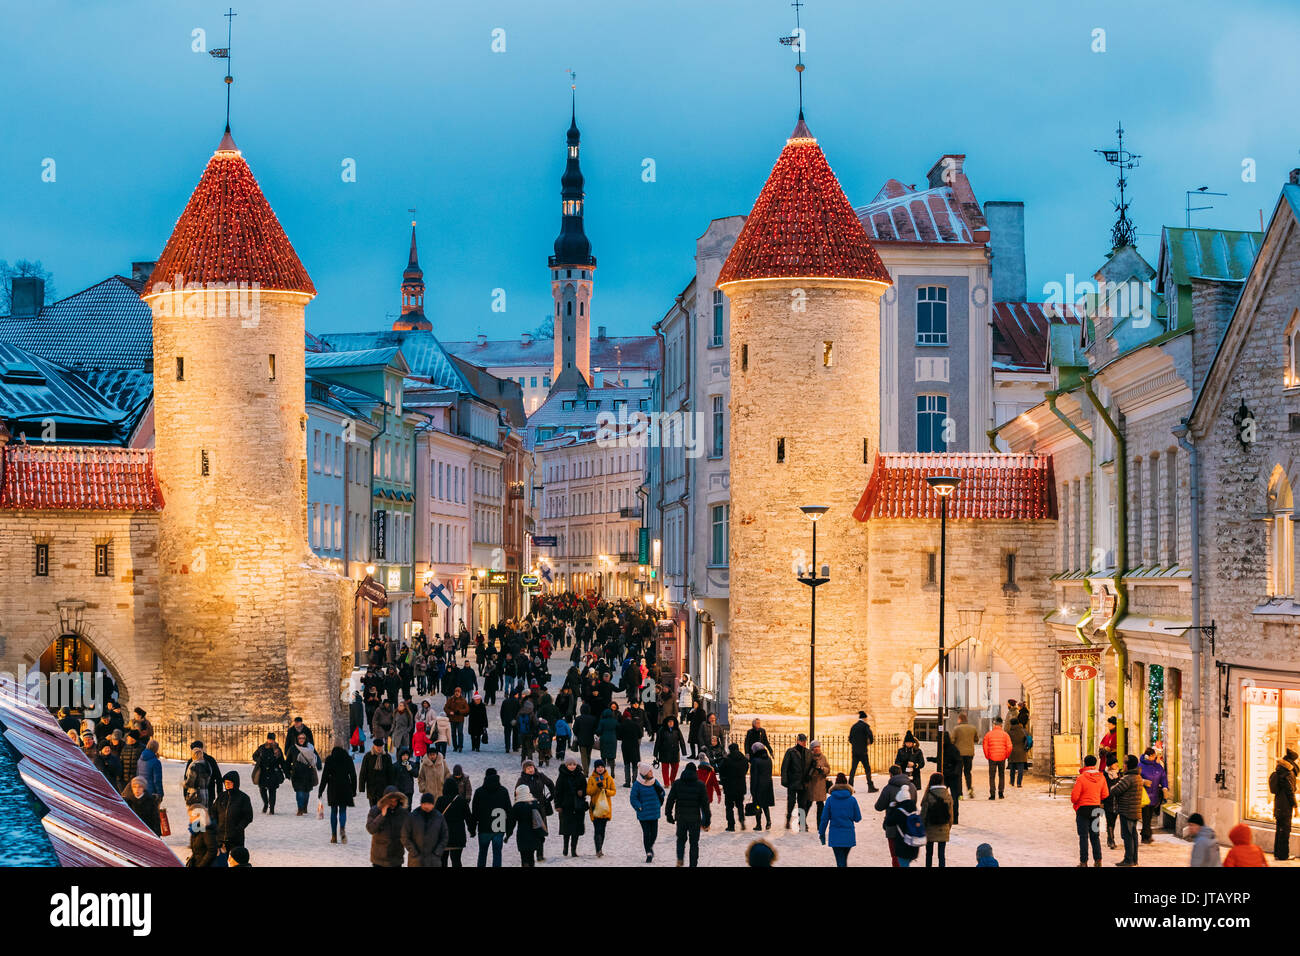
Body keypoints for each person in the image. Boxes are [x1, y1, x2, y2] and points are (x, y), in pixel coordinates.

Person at [665, 761, 711, 867]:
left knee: (681, 840)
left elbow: (670, 800)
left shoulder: (677, 783)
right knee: (694, 843)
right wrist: (707, 820)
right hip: (695, 819)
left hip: (681, 818)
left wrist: (668, 814)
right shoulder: (700, 785)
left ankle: (680, 859)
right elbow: (705, 805)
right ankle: (693, 864)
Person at [1070, 754, 1108, 867]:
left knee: (1083, 836)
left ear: (1085, 763)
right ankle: (1098, 861)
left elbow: (1074, 797)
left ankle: (1083, 862)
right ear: (1095, 764)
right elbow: (1105, 794)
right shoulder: (1101, 777)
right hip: (1096, 809)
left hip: (1083, 810)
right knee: (1095, 836)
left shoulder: (1081, 778)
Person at [875, 765, 917, 867]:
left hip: (892, 827)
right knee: (906, 856)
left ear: (890, 774)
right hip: (909, 827)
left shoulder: (888, 788)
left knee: (895, 855)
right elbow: (914, 803)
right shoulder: (912, 787)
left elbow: (879, 806)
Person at [468, 768, 511, 867]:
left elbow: (475, 813)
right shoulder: (503, 791)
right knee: (497, 854)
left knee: (482, 853)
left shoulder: (479, 792)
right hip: (499, 827)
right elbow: (509, 810)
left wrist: (472, 829)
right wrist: (509, 829)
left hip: (484, 828)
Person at [818, 772, 860, 866]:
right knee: (843, 861)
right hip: (848, 836)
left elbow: (824, 819)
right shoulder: (852, 800)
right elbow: (858, 818)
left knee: (840, 861)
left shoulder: (830, 800)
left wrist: (821, 833)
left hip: (835, 836)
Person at [318, 745, 357, 844]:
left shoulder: (330, 759)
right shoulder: (347, 759)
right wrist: (353, 789)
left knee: (333, 811)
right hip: (345, 787)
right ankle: (342, 828)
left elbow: (325, 776)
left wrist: (321, 790)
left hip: (333, 788)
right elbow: (353, 775)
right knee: (343, 810)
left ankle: (334, 835)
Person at [1110, 755, 1143, 866]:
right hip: (1134, 810)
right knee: (1133, 835)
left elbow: (1115, 790)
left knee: (1128, 836)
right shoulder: (1137, 776)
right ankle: (1134, 859)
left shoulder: (1128, 778)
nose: (1123, 765)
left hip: (1127, 810)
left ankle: (1128, 859)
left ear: (1128, 765)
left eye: (1124, 763)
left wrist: (1115, 781)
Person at [629, 761, 665, 863]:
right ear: (644, 773)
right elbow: (633, 798)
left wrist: (661, 793)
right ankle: (648, 852)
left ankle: (650, 847)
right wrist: (639, 807)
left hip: (654, 812)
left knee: (654, 834)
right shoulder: (637, 784)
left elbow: (662, 792)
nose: (651, 773)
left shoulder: (654, 781)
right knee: (646, 833)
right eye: (649, 771)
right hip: (644, 814)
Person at [401, 791, 449, 867]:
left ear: (433, 805)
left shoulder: (439, 817)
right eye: (425, 803)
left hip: (433, 861)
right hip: (416, 861)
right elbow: (405, 836)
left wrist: (437, 852)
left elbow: (444, 836)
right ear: (421, 804)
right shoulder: (412, 817)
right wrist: (414, 852)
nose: (427, 806)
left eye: (429, 804)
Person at [366, 785, 410, 868]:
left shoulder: (403, 813)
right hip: (379, 858)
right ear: (385, 800)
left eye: (395, 801)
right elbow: (371, 829)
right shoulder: (375, 810)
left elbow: (409, 832)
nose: (393, 803)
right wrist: (382, 815)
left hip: (396, 858)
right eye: (390, 801)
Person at [554, 753, 588, 856]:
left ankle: (573, 850)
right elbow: (557, 792)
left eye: (574, 764)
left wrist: (582, 792)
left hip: (578, 806)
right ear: (566, 765)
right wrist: (557, 805)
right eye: (570, 764)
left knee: (576, 830)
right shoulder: (562, 777)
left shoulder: (581, 776)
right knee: (566, 829)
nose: (572, 766)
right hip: (566, 806)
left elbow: (586, 788)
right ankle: (565, 847)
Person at [506, 783, 546, 867]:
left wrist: (508, 834)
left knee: (524, 857)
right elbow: (541, 820)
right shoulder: (535, 804)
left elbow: (511, 822)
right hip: (534, 834)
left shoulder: (517, 806)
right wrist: (542, 834)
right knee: (531, 856)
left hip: (522, 834)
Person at [780, 734, 815, 831]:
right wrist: (785, 780)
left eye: (805, 741)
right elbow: (785, 767)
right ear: (798, 740)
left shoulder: (808, 752)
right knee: (791, 802)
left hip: (804, 782)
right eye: (802, 740)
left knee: (802, 803)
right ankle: (788, 819)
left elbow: (813, 764)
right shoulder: (791, 752)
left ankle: (802, 822)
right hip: (793, 781)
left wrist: (810, 774)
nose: (804, 742)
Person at [212, 771, 254, 849]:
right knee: (221, 860)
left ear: (235, 783)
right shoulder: (221, 796)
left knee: (235, 860)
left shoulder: (243, 798)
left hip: (236, 839)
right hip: (220, 838)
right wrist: (216, 826)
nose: (227, 785)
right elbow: (213, 812)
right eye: (225, 783)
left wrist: (238, 828)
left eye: (229, 782)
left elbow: (248, 817)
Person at [919, 772, 953, 867]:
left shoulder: (928, 795)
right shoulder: (948, 795)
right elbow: (951, 814)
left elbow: (923, 813)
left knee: (929, 854)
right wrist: (948, 827)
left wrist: (922, 827)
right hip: (944, 827)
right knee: (941, 855)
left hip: (930, 827)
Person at [435, 777, 471, 866]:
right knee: (456, 861)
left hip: (443, 837)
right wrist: (472, 831)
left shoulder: (440, 800)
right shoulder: (461, 801)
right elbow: (469, 818)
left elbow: (434, 819)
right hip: (458, 837)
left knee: (443, 861)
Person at [1269, 749, 1297, 861]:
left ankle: (1277, 853)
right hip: (1285, 806)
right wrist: (1295, 806)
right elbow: (1290, 791)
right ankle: (1284, 855)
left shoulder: (1279, 771)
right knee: (1285, 831)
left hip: (1279, 804)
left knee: (1279, 830)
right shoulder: (1287, 773)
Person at [586, 758, 616, 858]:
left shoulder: (609, 778)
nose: (600, 769)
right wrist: (596, 787)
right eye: (598, 767)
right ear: (595, 768)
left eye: (602, 767)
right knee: (597, 829)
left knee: (602, 830)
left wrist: (606, 791)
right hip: (595, 807)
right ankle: (598, 849)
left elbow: (613, 791)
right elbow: (589, 791)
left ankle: (600, 848)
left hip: (605, 808)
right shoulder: (591, 779)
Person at [883, 791, 922, 868]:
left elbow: (889, 822)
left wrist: (891, 809)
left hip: (903, 845)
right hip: (914, 844)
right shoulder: (915, 809)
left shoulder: (899, 811)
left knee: (903, 864)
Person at [1138, 747, 1168, 843]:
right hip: (1144, 796)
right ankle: (1146, 836)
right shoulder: (1140, 766)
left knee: (1149, 816)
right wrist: (1142, 781)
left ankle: (1145, 833)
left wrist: (1165, 787)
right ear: (1149, 756)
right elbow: (1136, 778)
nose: (1155, 757)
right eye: (1153, 756)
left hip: (1154, 795)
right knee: (1146, 816)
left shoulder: (1158, 766)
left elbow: (1163, 777)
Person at [250, 734, 286, 814]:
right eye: (269, 739)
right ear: (267, 739)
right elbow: (254, 756)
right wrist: (259, 760)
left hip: (273, 771)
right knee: (262, 789)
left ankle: (272, 808)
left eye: (272, 739)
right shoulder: (262, 748)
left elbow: (282, 761)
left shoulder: (277, 749)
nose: (271, 741)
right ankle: (266, 804)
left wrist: (285, 770)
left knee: (272, 790)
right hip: (263, 771)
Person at [719, 743, 749, 831]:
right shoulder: (743, 759)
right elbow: (746, 770)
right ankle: (742, 820)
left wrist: (723, 780)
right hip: (740, 786)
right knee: (740, 805)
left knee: (729, 807)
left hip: (729, 787)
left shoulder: (727, 760)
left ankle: (731, 825)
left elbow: (722, 771)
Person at [288, 733, 321, 816]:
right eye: (299, 738)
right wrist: (288, 772)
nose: (301, 739)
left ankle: (305, 807)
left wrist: (319, 765)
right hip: (297, 773)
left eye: (303, 738)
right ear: (297, 739)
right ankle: (300, 808)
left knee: (306, 792)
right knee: (299, 791)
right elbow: (288, 761)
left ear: (305, 739)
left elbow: (316, 756)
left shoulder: (310, 747)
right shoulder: (293, 748)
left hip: (308, 773)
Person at [982, 718, 1012, 799]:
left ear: (994, 725)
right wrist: (1006, 755)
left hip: (992, 758)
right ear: (1001, 725)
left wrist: (987, 756)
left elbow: (985, 746)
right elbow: (1009, 747)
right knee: (1001, 775)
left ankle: (992, 794)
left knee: (992, 776)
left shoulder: (988, 734)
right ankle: (1001, 793)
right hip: (1002, 757)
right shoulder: (1005, 735)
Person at [358, 739, 395, 808]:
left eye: (380, 746)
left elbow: (391, 773)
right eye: (377, 746)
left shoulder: (387, 757)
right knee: (373, 809)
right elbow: (363, 772)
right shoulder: (368, 756)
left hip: (384, 788)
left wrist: (392, 787)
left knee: (382, 809)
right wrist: (361, 787)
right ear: (374, 746)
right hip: (372, 788)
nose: (379, 748)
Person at [847, 711, 877, 792]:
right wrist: (869, 742)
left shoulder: (854, 726)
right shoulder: (865, 726)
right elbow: (870, 736)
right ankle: (870, 786)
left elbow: (850, 738)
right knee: (867, 769)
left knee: (853, 769)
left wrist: (855, 745)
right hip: (863, 751)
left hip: (855, 751)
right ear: (865, 718)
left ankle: (850, 787)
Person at [654, 716, 687, 788]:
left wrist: (684, 751)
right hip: (664, 752)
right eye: (669, 722)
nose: (671, 723)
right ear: (667, 723)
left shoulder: (677, 730)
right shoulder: (662, 730)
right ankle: (666, 783)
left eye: (672, 722)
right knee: (665, 769)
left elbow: (681, 740)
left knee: (675, 768)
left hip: (675, 752)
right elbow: (658, 742)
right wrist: (655, 753)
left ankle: (672, 780)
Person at [748, 742, 775, 830]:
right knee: (765, 805)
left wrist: (753, 789)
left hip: (758, 787)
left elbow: (754, 776)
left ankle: (758, 824)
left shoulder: (755, 761)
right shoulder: (768, 759)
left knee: (757, 805)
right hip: (767, 785)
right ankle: (768, 821)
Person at [951, 712, 977, 794]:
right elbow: (976, 739)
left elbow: (952, 740)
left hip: (959, 754)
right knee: (967, 772)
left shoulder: (957, 729)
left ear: (960, 719)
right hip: (969, 754)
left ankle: (960, 794)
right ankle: (969, 789)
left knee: (959, 774)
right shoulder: (973, 728)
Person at [446, 687, 470, 752]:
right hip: (452, 719)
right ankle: (455, 746)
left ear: (460, 693)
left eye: (458, 692)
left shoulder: (463, 700)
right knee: (453, 733)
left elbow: (467, 709)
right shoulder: (450, 699)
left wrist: (460, 711)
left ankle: (460, 746)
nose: (457, 693)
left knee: (460, 732)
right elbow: (446, 708)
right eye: (456, 691)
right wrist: (449, 712)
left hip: (460, 719)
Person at [1007, 717, 1029, 788]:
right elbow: (1029, 740)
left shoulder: (1009, 732)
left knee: (1012, 768)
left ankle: (1012, 782)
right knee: (1020, 769)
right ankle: (1019, 783)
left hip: (1012, 752)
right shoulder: (1023, 731)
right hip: (1021, 751)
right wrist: (1026, 748)